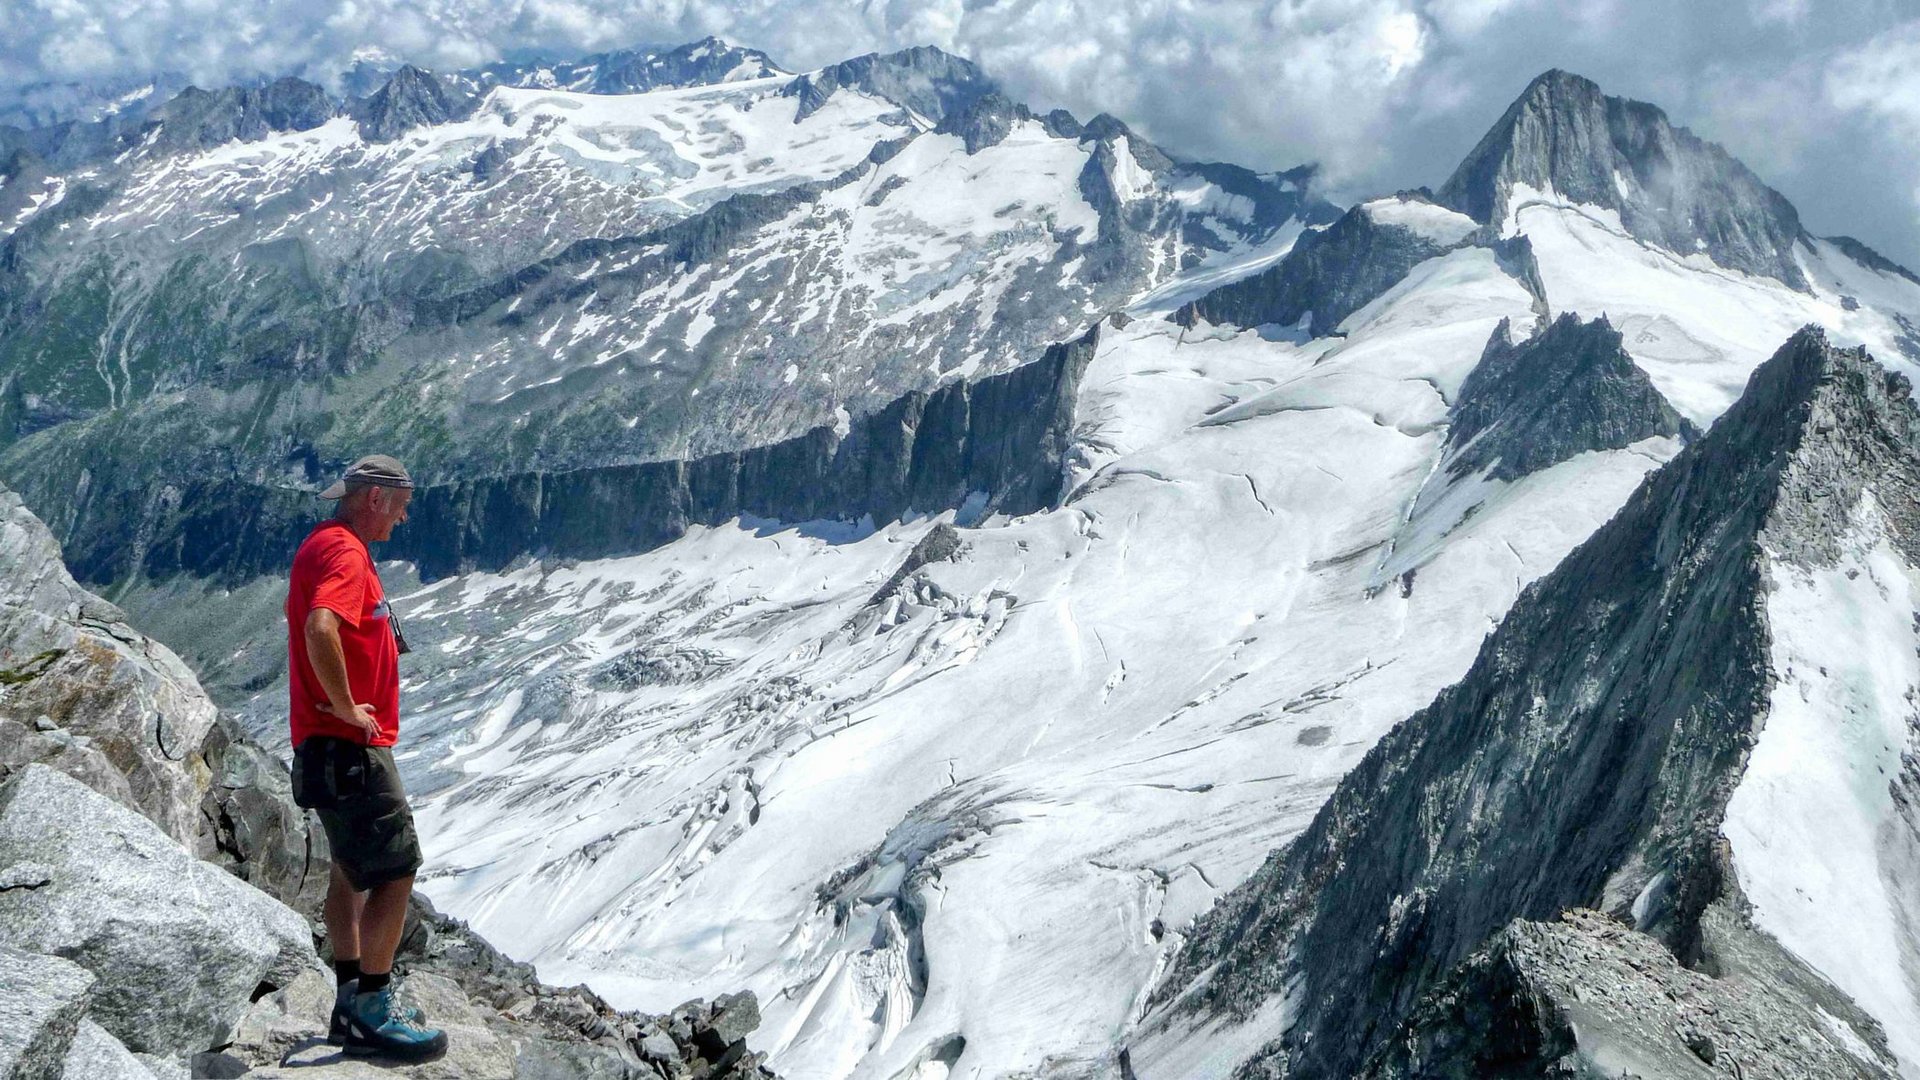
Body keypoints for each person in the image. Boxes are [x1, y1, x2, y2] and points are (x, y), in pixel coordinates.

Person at [286, 454, 447, 1061]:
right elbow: (321, 627)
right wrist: (348, 706)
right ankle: (374, 1010)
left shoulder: (324, 545)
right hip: (352, 746)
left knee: (349, 871)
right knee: (397, 869)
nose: (404, 519)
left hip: (322, 744)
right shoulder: (347, 554)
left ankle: (348, 995)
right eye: (402, 505)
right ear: (376, 498)